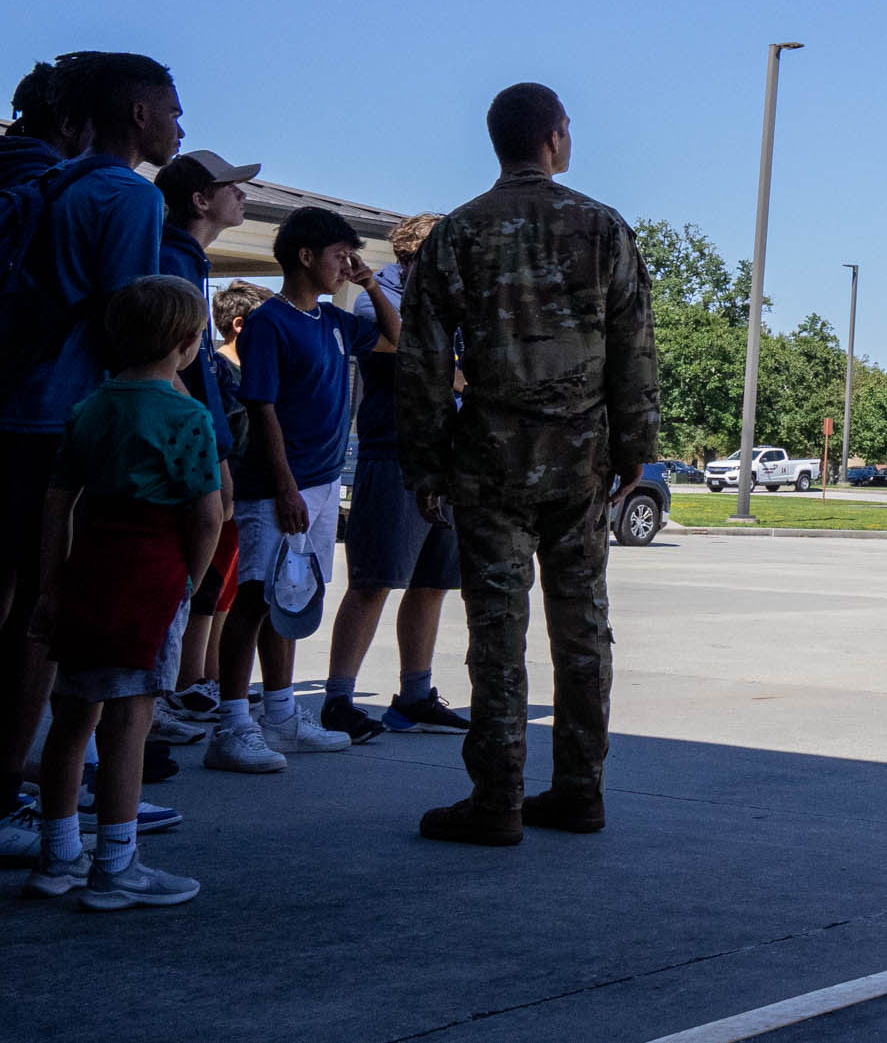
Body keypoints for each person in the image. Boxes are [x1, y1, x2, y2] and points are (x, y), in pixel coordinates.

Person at [399, 84, 658, 845]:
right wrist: (636, 448)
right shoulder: (602, 227)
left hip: (491, 457)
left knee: (496, 631)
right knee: (583, 630)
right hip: (581, 457)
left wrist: (424, 461)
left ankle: (497, 799)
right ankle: (580, 789)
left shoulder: (458, 235)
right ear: (554, 138)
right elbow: (633, 347)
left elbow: (420, 360)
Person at [0, 54, 182, 856]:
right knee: (47, 618)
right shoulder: (128, 195)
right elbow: (128, 329)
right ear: (139, 114)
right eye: (175, 110)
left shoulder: (45, 184)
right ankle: (11, 792)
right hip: (61, 424)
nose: (180, 125)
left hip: (11, 408)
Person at [23, 276, 221, 907]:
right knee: (130, 721)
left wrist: (52, 579)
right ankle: (116, 864)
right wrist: (191, 580)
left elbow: (58, 500)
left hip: (86, 567)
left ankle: (57, 857)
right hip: (151, 572)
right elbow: (209, 513)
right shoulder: (188, 415)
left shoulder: (89, 407)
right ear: (188, 345)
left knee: (71, 717)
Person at [204, 207, 397, 771]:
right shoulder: (269, 322)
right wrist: (284, 485)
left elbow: (395, 338)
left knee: (291, 598)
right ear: (306, 256)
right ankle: (232, 722)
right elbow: (261, 408)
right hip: (276, 486)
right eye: (340, 255)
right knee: (255, 598)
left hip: (319, 482)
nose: (348, 264)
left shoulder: (335, 323)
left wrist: (367, 284)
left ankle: (282, 714)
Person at [321, 213, 467, 741]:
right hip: (394, 454)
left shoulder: (456, 298)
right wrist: (457, 375)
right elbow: (405, 351)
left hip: (451, 457)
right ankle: (337, 700)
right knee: (374, 580)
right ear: (411, 256)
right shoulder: (372, 295)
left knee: (433, 583)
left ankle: (413, 697)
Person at [144, 152, 257, 751]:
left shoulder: (189, 257)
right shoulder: (172, 257)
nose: (243, 195)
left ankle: (156, 699)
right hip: (182, 444)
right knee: (177, 571)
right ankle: (149, 703)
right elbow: (171, 361)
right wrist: (209, 444)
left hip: (198, 439)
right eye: (232, 187)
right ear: (200, 200)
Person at [165, 280, 265, 733]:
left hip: (243, 495)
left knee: (228, 590)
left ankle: (212, 674)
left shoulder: (254, 372)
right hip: (221, 493)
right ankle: (189, 680)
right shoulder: (222, 373)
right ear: (239, 326)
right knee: (207, 588)